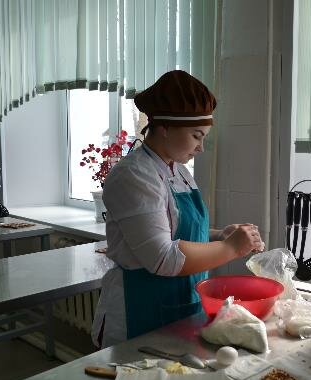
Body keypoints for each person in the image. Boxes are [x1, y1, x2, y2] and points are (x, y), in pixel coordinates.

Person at [92, 70, 264, 348]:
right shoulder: (134, 175)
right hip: (141, 309)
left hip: (182, 304)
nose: (201, 148)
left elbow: (172, 230)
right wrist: (231, 248)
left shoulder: (178, 171)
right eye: (197, 136)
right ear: (165, 127)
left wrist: (219, 235)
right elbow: (162, 256)